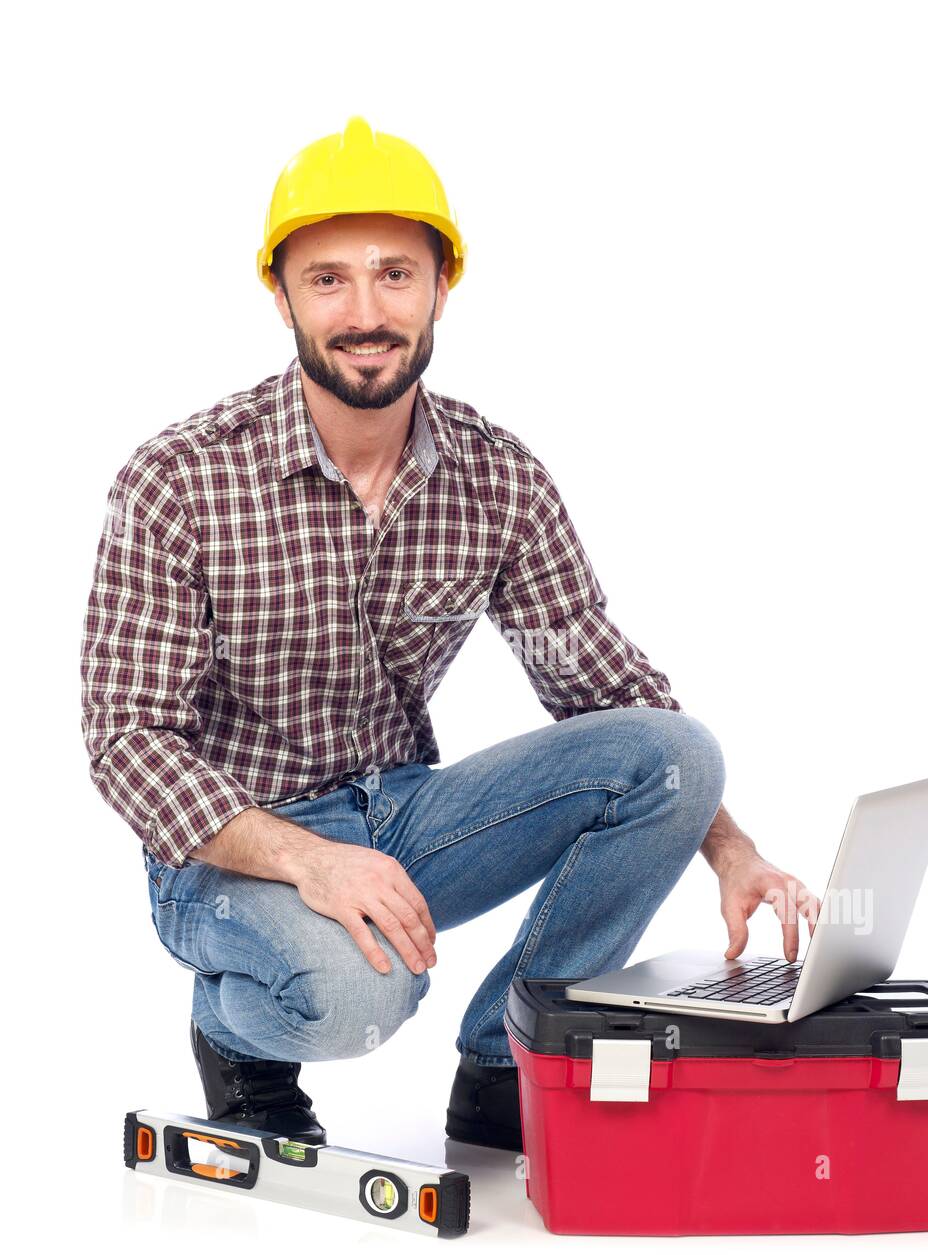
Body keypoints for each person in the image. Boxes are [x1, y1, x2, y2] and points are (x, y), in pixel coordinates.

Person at [80, 116, 818, 1151]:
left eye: (395, 274)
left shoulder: (495, 476)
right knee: (363, 992)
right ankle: (231, 1032)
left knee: (672, 755)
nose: (365, 311)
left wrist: (731, 852)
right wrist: (307, 862)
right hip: (224, 852)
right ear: (280, 294)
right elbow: (126, 740)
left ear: (440, 286)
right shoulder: (179, 480)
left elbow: (602, 683)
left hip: (401, 818)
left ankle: (507, 1056)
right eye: (328, 279)